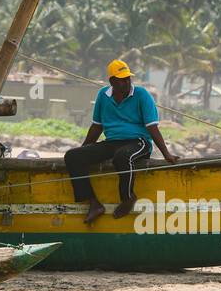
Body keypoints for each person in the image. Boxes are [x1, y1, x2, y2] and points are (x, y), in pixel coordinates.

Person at [64, 59, 177, 223]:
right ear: (112, 81)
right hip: (112, 142)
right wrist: (84, 150)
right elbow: (97, 127)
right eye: (121, 79)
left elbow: (152, 127)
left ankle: (128, 198)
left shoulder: (141, 95)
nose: (126, 82)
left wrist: (166, 154)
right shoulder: (103, 95)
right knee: (73, 156)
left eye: (128, 78)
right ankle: (94, 203)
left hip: (139, 141)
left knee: (122, 157)